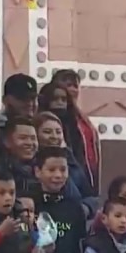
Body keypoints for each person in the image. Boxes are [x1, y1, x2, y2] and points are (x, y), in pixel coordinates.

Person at [46, 69, 100, 198]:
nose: (72, 89)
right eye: (68, 85)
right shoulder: (56, 117)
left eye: (75, 86)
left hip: (86, 175)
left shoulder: (81, 118)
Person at [0, 118, 39, 194]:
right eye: (23, 138)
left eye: (33, 138)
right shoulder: (0, 170)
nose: (29, 143)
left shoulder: (44, 167)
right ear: (7, 141)